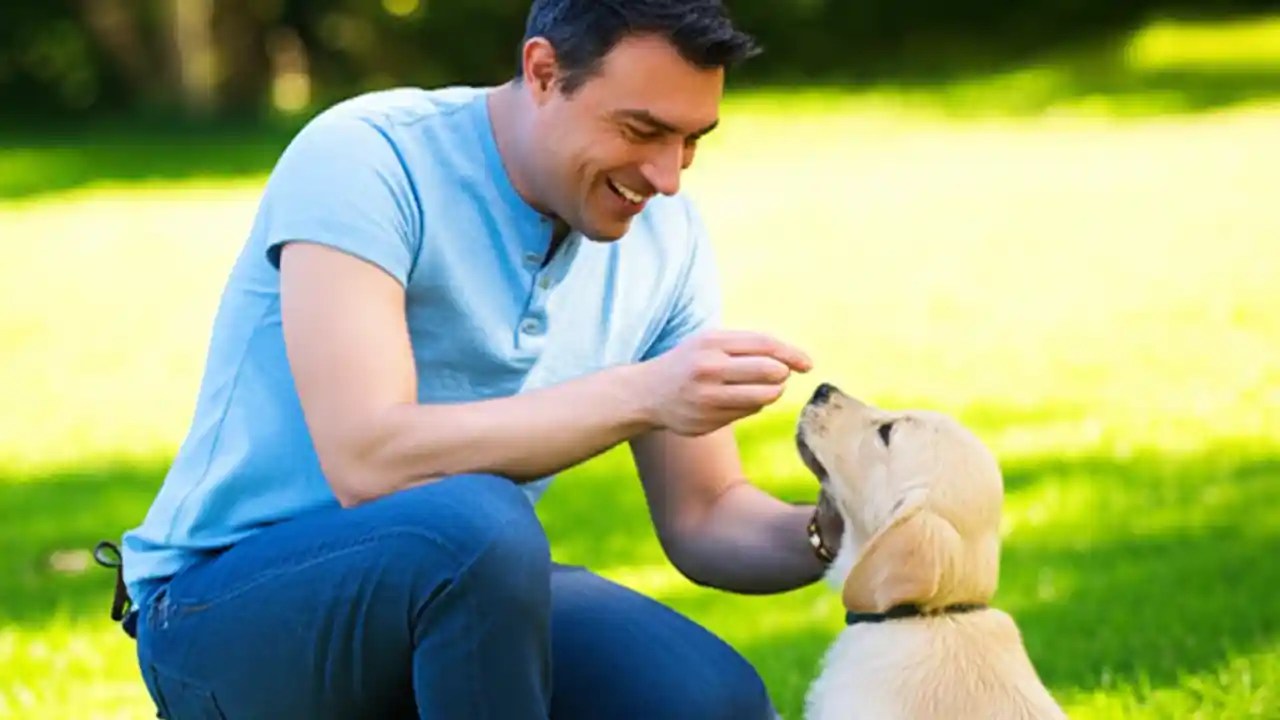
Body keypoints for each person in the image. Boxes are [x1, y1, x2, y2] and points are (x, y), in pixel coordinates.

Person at [107, 1, 844, 718]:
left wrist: (859, 525)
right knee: (475, 526)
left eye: (691, 140)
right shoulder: (367, 157)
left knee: (709, 699)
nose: (667, 176)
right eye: (640, 129)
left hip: (463, 585)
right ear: (544, 71)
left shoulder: (667, 236)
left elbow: (706, 514)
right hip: (217, 611)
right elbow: (369, 458)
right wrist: (641, 394)